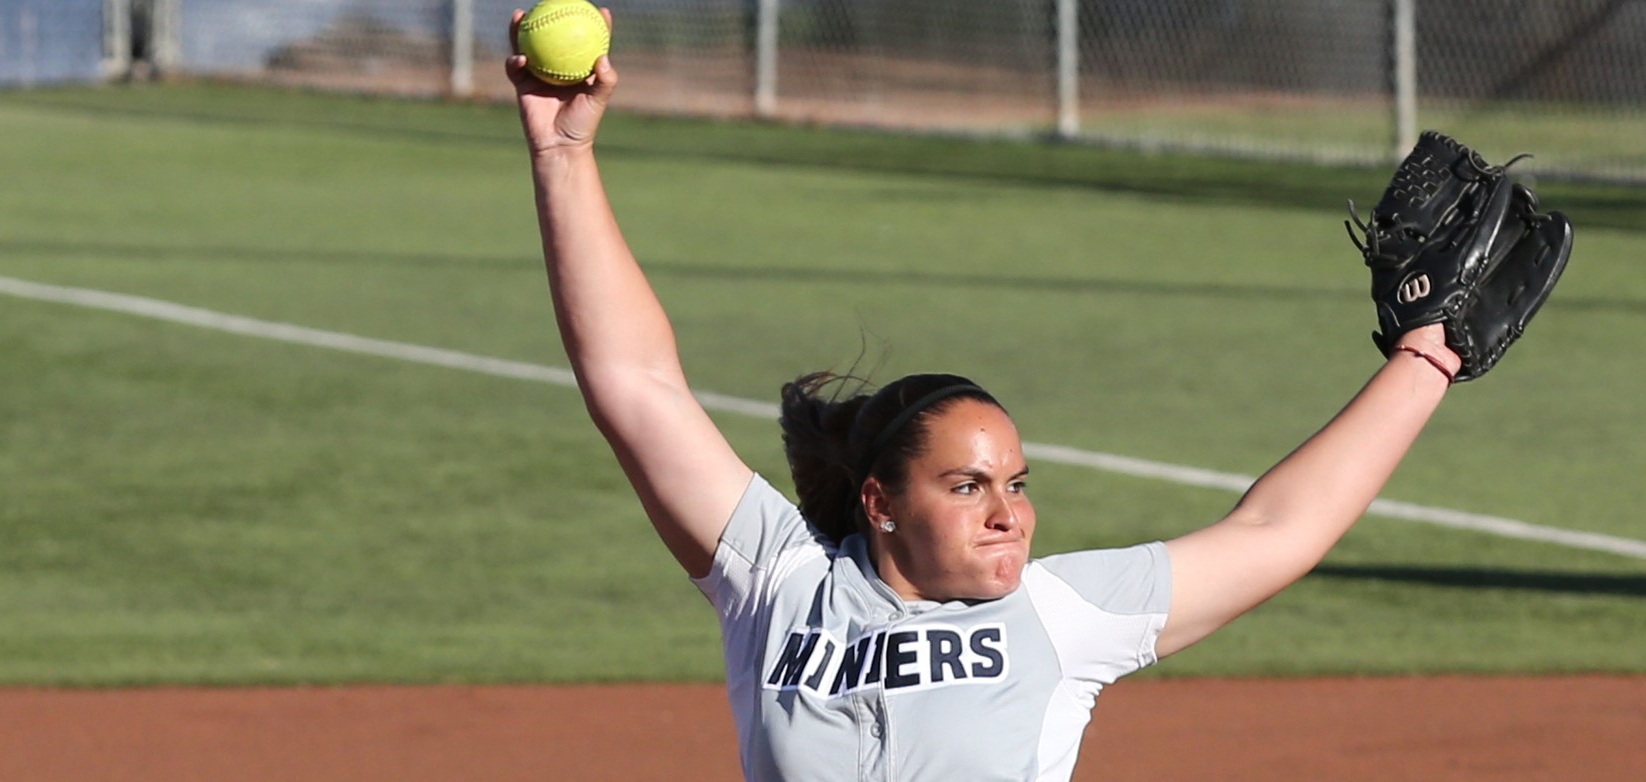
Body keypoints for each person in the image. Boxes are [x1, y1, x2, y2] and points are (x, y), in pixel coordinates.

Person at [507, 10, 1468, 781]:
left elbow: (1275, 532)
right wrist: (564, 158)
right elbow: (635, 386)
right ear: (880, 503)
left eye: (1013, 482)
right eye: (967, 486)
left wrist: (1427, 358)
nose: (1009, 514)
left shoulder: (1061, 614)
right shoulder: (782, 582)